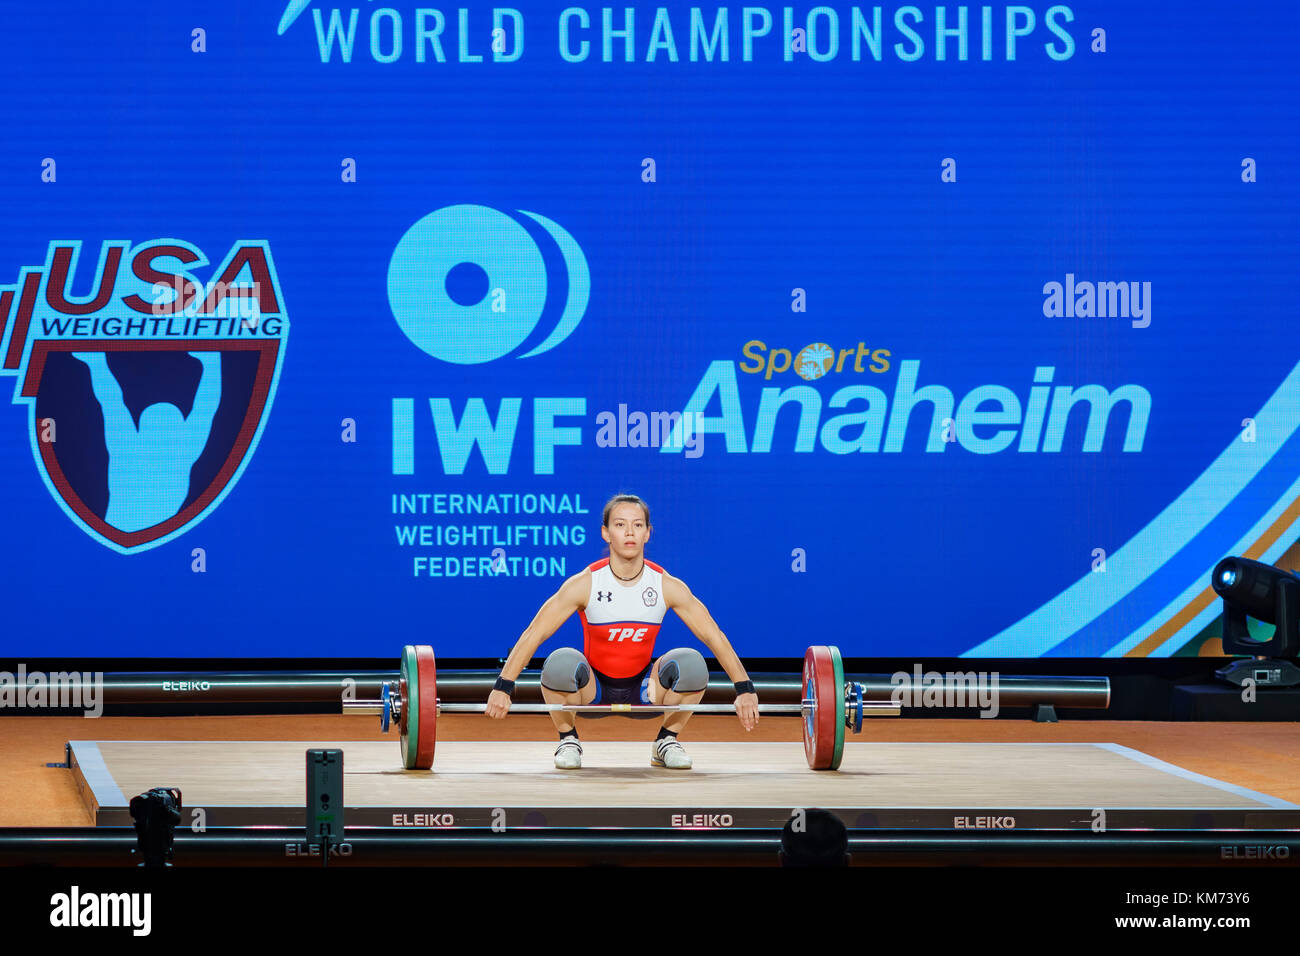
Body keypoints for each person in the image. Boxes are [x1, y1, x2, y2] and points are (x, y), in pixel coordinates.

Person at [486, 493, 759, 769]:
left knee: (692, 662)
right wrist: (503, 686)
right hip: (591, 692)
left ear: (647, 533)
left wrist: (744, 688)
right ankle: (568, 739)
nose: (630, 532)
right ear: (606, 533)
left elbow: (714, 636)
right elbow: (535, 632)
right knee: (560, 661)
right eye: (620, 525)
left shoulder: (666, 585)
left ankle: (666, 740)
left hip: (645, 690)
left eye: (638, 525)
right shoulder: (585, 583)